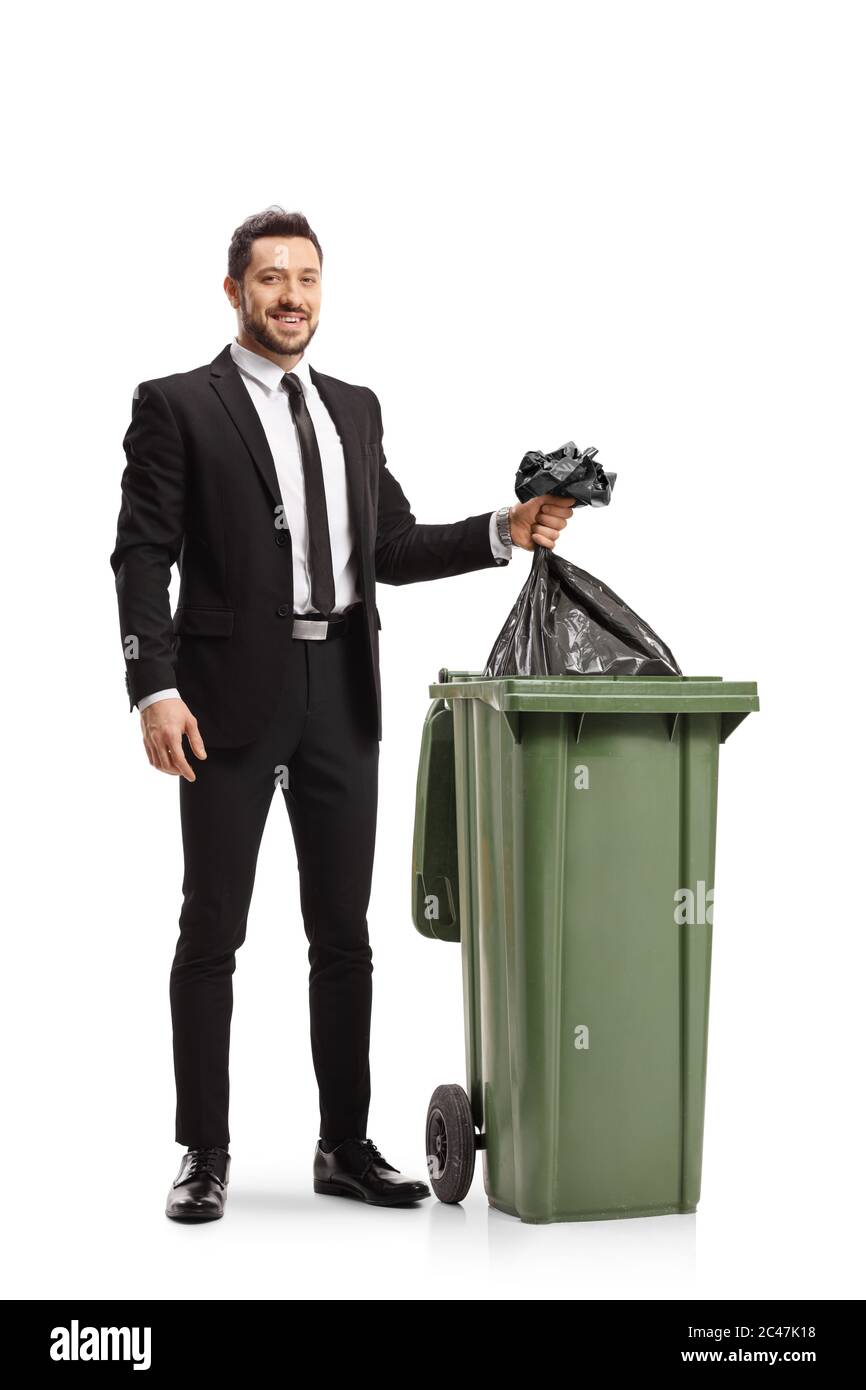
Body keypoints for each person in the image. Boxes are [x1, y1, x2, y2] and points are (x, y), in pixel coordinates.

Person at [110, 206, 576, 1222]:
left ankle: (342, 1145)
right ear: (234, 291)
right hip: (222, 701)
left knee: (344, 936)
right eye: (270, 278)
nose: (291, 297)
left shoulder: (353, 410)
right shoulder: (177, 405)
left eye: (307, 279)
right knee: (211, 931)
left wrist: (505, 528)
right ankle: (202, 1149)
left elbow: (393, 549)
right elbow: (142, 553)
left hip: (340, 697)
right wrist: (154, 687)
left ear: (323, 290)